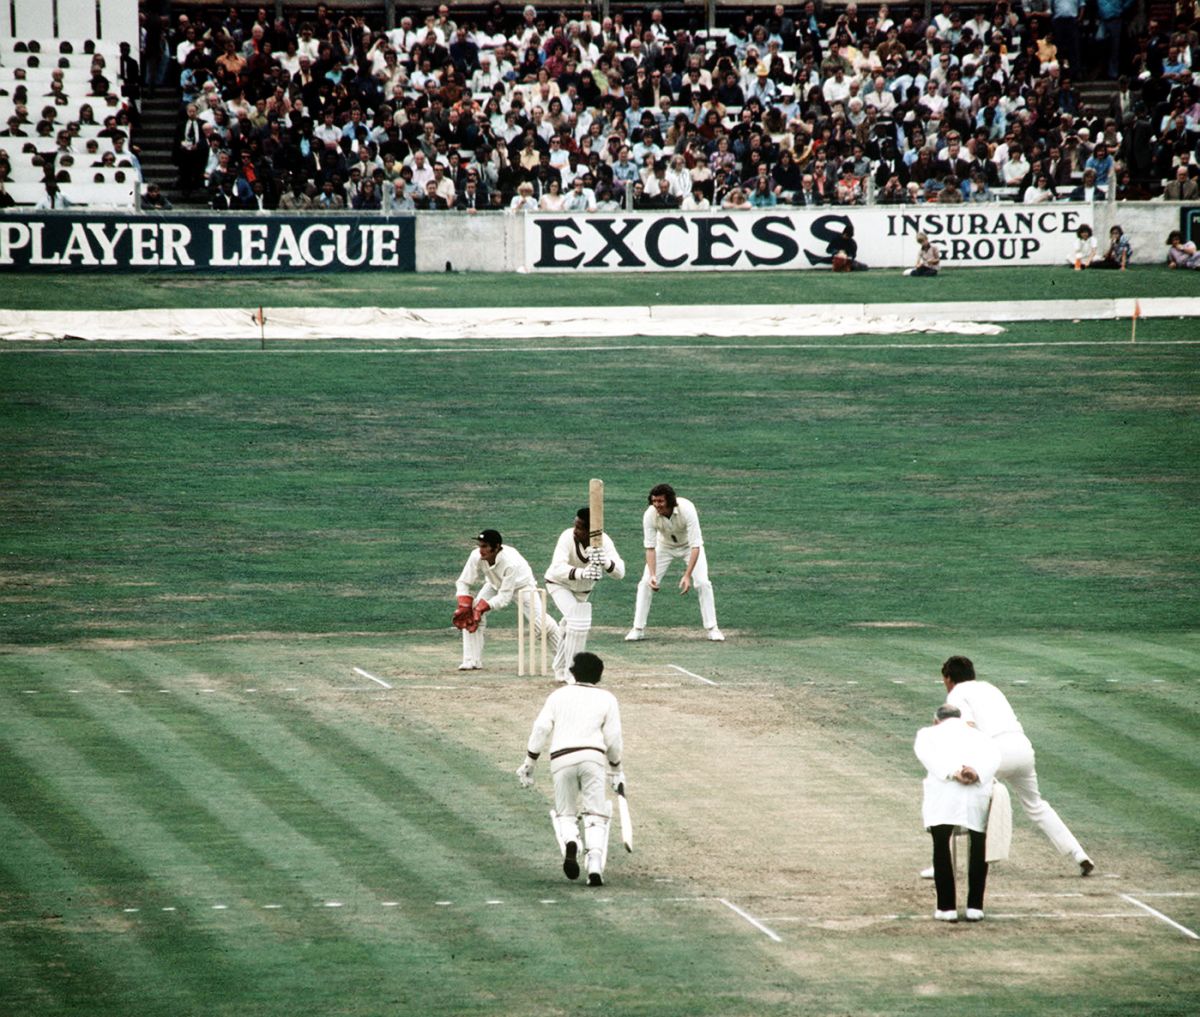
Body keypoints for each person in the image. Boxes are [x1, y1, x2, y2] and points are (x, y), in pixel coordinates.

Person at [940, 655, 1095, 876]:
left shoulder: (957, 693)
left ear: (948, 679)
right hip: (1022, 749)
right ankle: (1079, 854)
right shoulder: (990, 688)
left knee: (953, 793)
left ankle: (942, 864)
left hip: (995, 752)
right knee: (1036, 805)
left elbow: (969, 727)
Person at [516, 651, 624, 886]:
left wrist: (530, 762)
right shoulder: (607, 698)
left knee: (565, 813)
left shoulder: (558, 696)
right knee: (596, 814)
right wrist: (616, 769)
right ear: (599, 676)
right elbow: (613, 739)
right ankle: (594, 864)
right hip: (592, 757)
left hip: (561, 758)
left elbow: (541, 729)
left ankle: (571, 842)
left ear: (574, 673)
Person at [915, 703, 1002, 922]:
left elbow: (928, 758)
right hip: (976, 795)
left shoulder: (927, 733)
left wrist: (954, 773)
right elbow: (994, 758)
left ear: (937, 720)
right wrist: (975, 773)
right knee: (978, 845)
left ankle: (947, 908)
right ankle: (975, 907)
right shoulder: (980, 736)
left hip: (944, 795)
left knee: (941, 844)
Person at [626, 483, 723, 642]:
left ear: (670, 501)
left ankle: (712, 628)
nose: (657, 505)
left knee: (703, 583)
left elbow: (695, 546)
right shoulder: (649, 515)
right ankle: (638, 628)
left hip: (688, 547)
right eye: (654, 501)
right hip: (664, 547)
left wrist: (687, 575)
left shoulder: (687, 509)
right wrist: (652, 575)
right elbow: (650, 548)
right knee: (645, 583)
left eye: (660, 501)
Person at [453, 529, 556, 672]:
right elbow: (463, 581)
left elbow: (504, 598)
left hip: (522, 586)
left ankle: (566, 659)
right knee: (470, 614)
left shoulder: (510, 563)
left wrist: (484, 607)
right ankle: (471, 661)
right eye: (479, 546)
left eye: (484, 546)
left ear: (496, 548)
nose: (480, 550)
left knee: (541, 624)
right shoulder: (476, 556)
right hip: (495, 583)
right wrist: (463, 602)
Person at [545, 507, 626, 684]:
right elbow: (557, 568)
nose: (576, 530)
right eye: (576, 525)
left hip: (582, 591)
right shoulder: (567, 536)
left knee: (569, 625)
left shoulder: (603, 542)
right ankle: (571, 673)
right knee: (576, 620)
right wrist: (583, 573)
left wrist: (605, 561)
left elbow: (620, 572)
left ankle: (559, 668)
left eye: (581, 527)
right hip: (559, 584)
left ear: (592, 531)